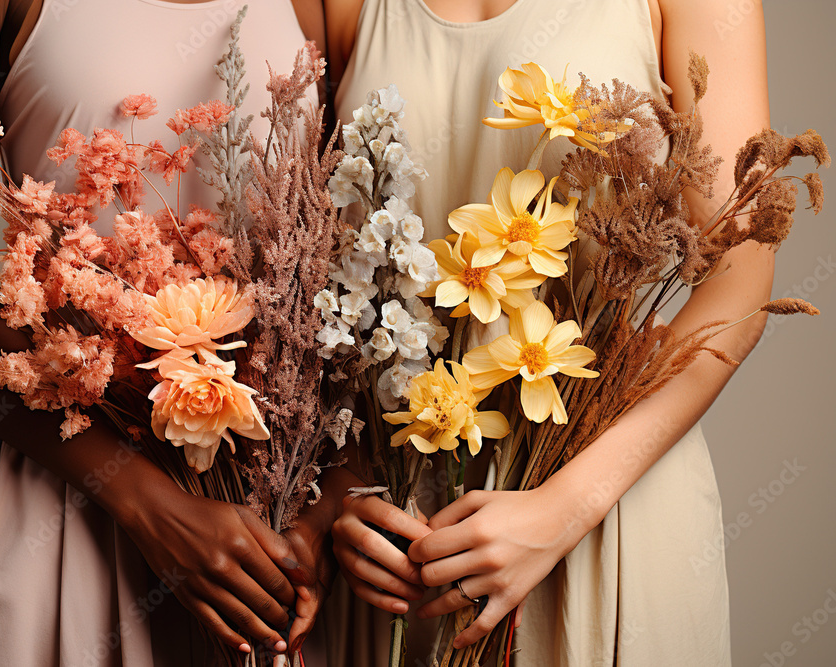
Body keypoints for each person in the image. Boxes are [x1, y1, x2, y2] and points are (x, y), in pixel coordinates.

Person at [0, 0, 357, 664]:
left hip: (264, 525)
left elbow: (349, 254)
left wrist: (323, 513)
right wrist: (148, 505)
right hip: (68, 497)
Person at [324, 0, 771, 664]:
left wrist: (563, 508)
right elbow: (306, 259)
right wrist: (337, 484)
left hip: (603, 499)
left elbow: (741, 281)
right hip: (401, 528)